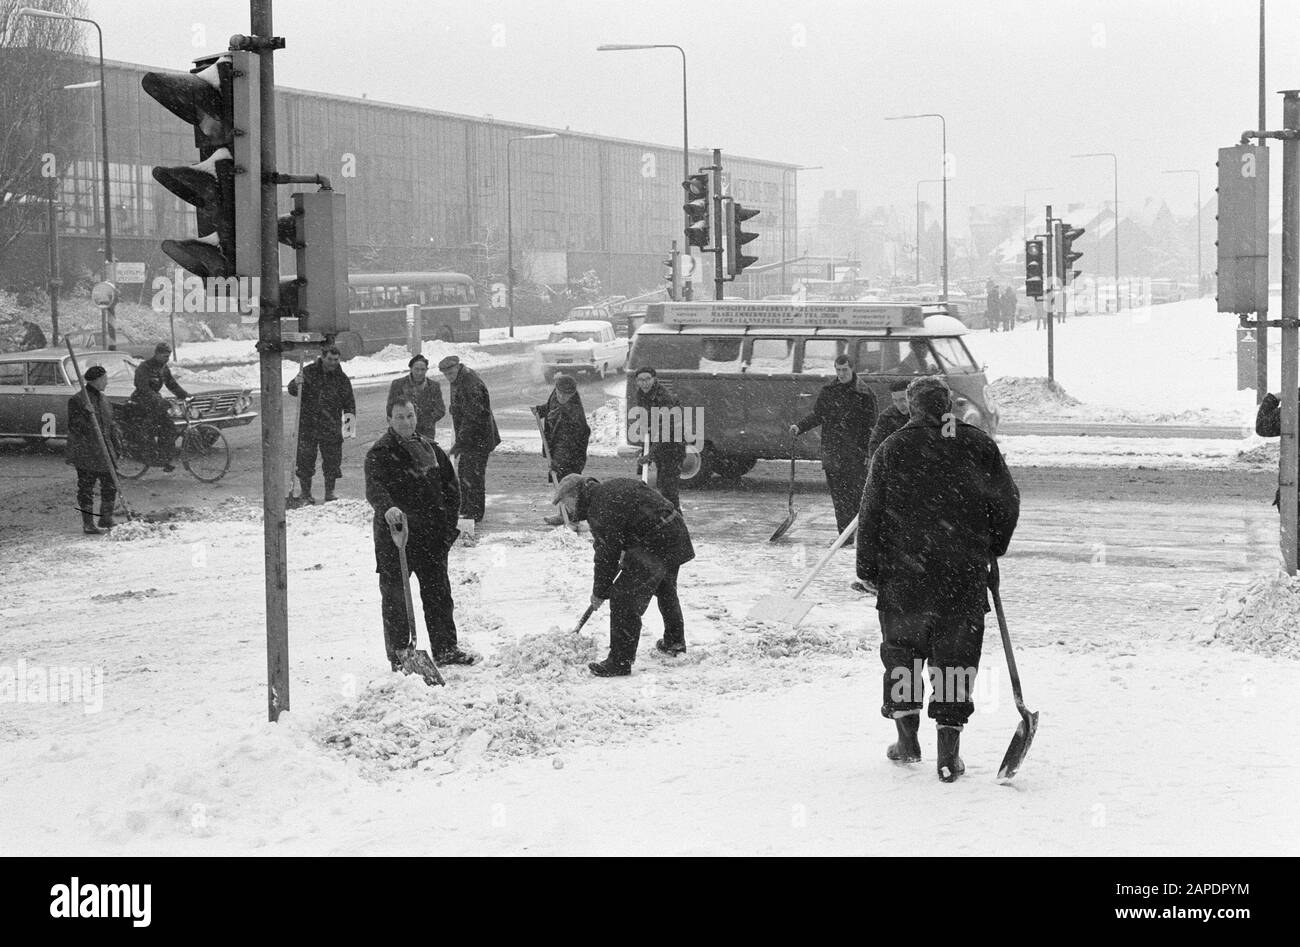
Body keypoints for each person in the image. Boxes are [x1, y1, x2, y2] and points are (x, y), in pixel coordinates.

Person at [857, 376, 1020, 782]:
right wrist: (993, 545)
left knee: (903, 657)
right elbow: (1007, 501)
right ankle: (948, 755)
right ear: (947, 404)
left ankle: (907, 742)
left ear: (912, 408)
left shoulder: (893, 447)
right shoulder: (977, 443)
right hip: (961, 575)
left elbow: (871, 511)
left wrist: (868, 568)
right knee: (955, 659)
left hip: (904, 577)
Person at [365, 397, 476, 668]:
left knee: (438, 595)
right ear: (389, 419)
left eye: (410, 415)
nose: (407, 421)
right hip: (397, 538)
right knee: (396, 599)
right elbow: (375, 487)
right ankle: (401, 654)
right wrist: (387, 507)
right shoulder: (380, 452)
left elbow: (451, 490)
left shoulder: (432, 450)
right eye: (400, 417)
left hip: (431, 539)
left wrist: (448, 528)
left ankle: (446, 648)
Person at [551, 473, 695, 677]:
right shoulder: (607, 491)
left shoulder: (600, 508)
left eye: (567, 504)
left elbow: (606, 555)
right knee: (665, 588)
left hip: (656, 541)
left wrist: (600, 591)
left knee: (623, 598)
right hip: (673, 531)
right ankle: (674, 642)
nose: (568, 510)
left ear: (576, 496)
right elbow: (627, 524)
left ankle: (619, 661)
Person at [790, 354, 877, 538]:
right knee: (839, 500)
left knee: (856, 499)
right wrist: (800, 427)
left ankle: (860, 540)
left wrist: (870, 453)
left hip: (856, 456)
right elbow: (818, 415)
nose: (841, 374)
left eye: (845, 369)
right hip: (833, 454)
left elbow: (872, 426)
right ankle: (844, 539)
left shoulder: (865, 394)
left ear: (852, 369)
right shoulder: (829, 391)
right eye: (838, 370)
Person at [288, 345, 355, 503]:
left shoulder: (341, 378)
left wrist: (349, 428)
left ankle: (329, 492)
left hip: (330, 425)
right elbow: (293, 390)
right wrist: (295, 383)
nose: (333, 363)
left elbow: (349, 403)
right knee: (304, 460)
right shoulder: (309, 372)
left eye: (336, 360)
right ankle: (306, 493)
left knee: (332, 461)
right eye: (330, 359)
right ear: (323, 357)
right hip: (308, 425)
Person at [439, 354, 500, 524]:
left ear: (458, 367)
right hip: (470, 438)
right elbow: (463, 406)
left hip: (478, 438)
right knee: (465, 472)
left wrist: (460, 442)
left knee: (473, 476)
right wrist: (455, 407)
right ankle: (466, 508)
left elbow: (473, 416)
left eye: (451, 373)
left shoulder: (470, 383)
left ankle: (474, 512)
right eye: (446, 375)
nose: (449, 377)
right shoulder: (459, 379)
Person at [66, 364, 122, 535]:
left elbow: (109, 423)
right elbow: (75, 426)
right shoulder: (78, 400)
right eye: (104, 379)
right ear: (96, 381)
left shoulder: (103, 399)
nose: (106, 382)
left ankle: (106, 517)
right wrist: (86, 415)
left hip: (105, 450)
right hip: (86, 452)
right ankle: (88, 523)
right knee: (86, 487)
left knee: (110, 484)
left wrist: (116, 444)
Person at [533, 373, 591, 526]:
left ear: (572, 394)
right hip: (557, 446)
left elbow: (568, 444)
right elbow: (551, 406)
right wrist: (541, 410)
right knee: (560, 483)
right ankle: (563, 514)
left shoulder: (573, 414)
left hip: (573, 453)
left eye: (566, 395)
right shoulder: (555, 394)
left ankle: (573, 519)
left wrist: (558, 463)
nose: (561, 397)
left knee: (569, 485)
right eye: (559, 393)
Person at [633, 367, 685, 512]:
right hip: (660, 443)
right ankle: (668, 520)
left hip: (673, 444)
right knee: (662, 486)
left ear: (654, 379)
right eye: (640, 380)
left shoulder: (664, 398)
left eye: (647, 379)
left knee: (669, 490)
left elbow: (666, 430)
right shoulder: (642, 395)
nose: (644, 383)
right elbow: (647, 424)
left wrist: (651, 454)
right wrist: (646, 450)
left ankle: (676, 521)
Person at [131, 342, 189, 471]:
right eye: (164, 356)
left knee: (169, 427)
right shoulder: (144, 367)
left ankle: (164, 458)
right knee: (149, 428)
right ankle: (149, 454)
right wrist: (157, 398)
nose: (167, 359)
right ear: (156, 354)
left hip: (155, 401)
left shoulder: (163, 368)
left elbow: (172, 384)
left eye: (168, 356)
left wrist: (185, 395)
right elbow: (143, 387)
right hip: (141, 401)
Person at [386, 355, 445, 440]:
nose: (419, 373)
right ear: (411, 368)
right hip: (403, 430)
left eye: (423, 370)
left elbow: (440, 409)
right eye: (416, 369)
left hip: (426, 433)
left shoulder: (434, 386)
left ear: (427, 370)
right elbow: (390, 409)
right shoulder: (398, 384)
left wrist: (426, 421)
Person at [867, 378, 911, 462]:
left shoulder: (925, 414)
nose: (900, 405)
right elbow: (875, 444)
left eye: (903, 399)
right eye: (895, 400)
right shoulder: (887, 417)